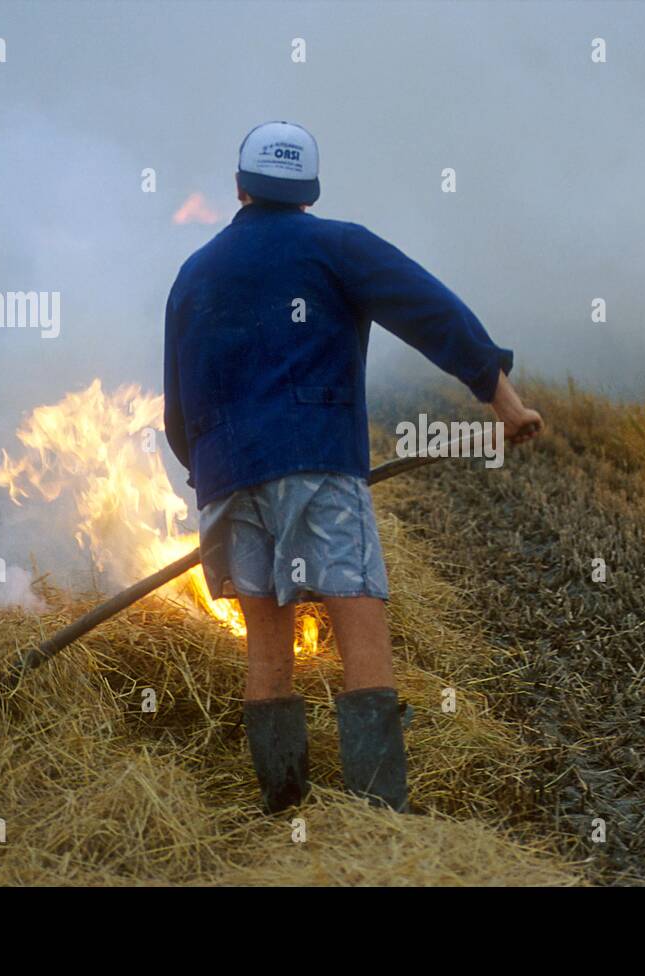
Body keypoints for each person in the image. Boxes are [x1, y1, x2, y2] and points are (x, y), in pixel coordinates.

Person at [163, 121, 542, 813]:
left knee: (267, 646)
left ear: (240, 186)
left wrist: (213, 475)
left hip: (223, 473)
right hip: (316, 462)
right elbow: (434, 314)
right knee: (357, 621)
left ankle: (286, 813)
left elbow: (176, 413)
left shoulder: (194, 275)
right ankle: (378, 820)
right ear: (310, 190)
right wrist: (504, 400)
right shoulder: (338, 245)